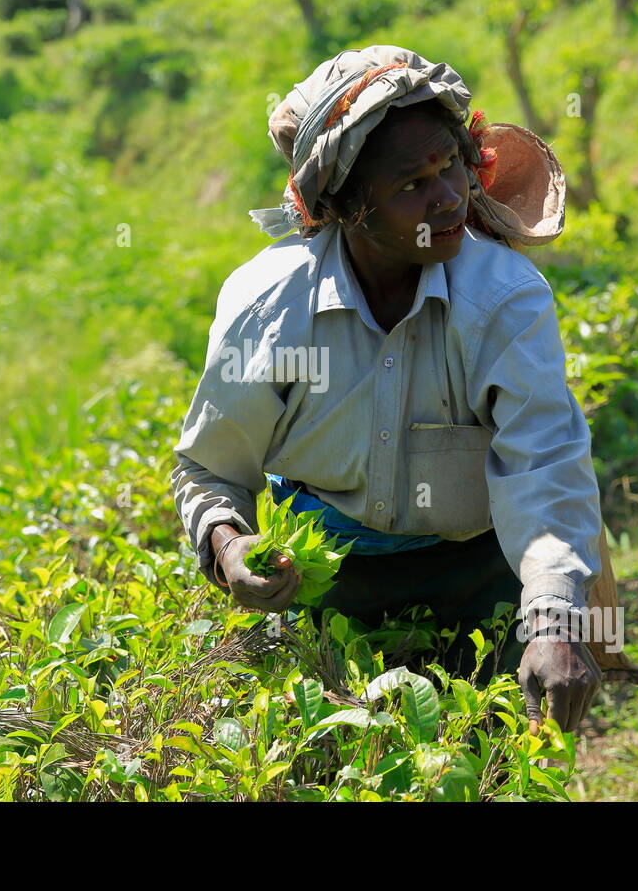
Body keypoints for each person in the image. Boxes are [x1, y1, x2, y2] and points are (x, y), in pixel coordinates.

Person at [171, 44, 610, 734]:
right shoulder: (272, 308)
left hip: (479, 583)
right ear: (347, 207)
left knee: (484, 764)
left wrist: (553, 622)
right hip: (324, 593)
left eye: (452, 168)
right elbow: (210, 468)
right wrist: (231, 550)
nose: (448, 197)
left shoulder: (503, 300)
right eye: (412, 185)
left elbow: (542, 462)